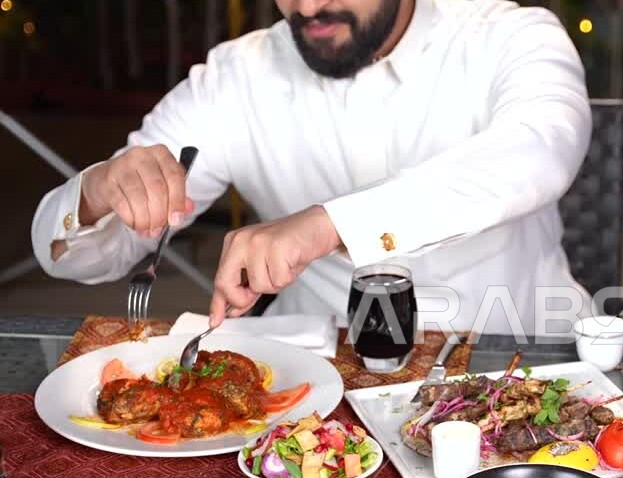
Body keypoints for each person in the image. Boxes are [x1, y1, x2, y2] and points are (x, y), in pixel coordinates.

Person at [30, 0, 592, 335]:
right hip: (318, 380)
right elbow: (89, 257)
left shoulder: (510, 35)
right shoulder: (236, 77)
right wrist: (99, 191)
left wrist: (327, 225)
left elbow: (539, 147)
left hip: (521, 351)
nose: (306, 7)